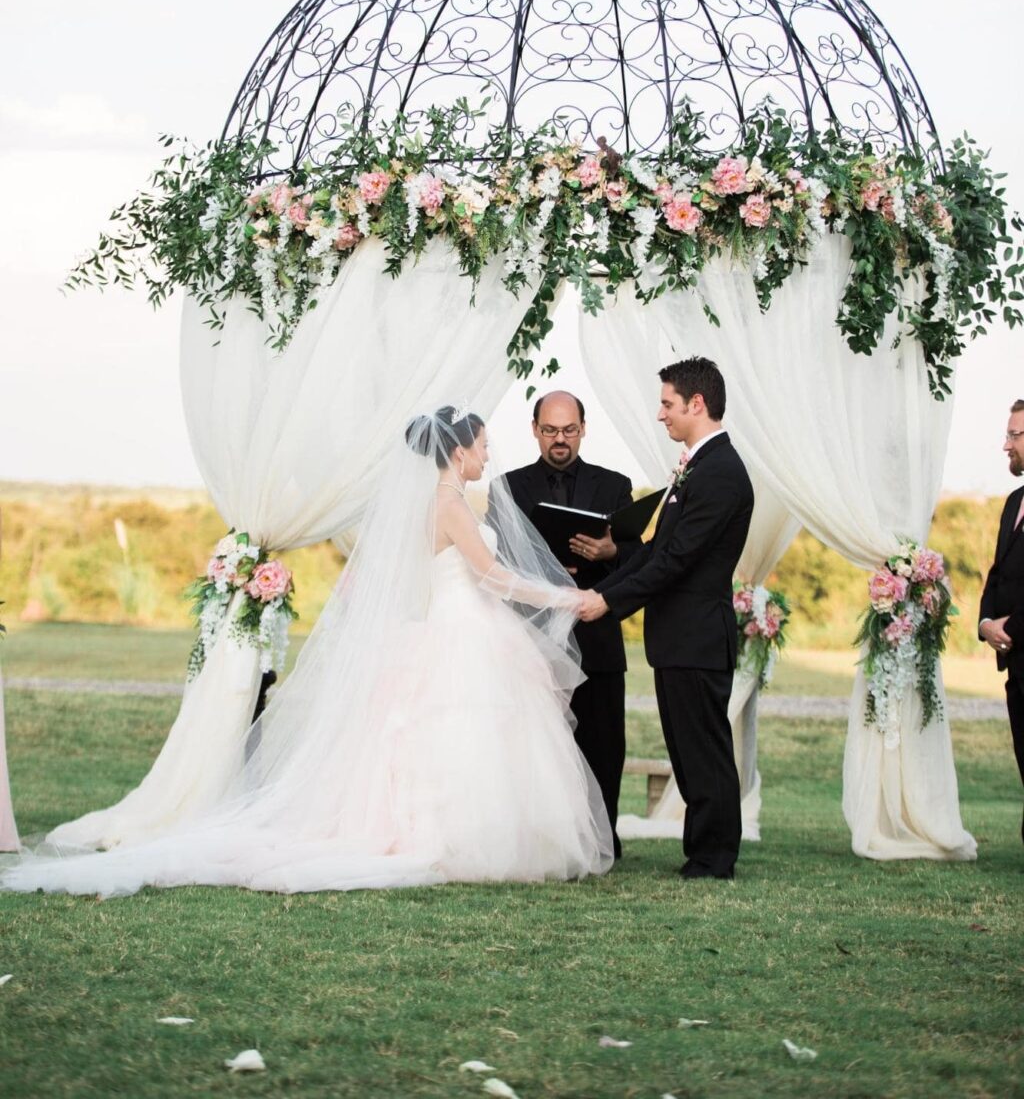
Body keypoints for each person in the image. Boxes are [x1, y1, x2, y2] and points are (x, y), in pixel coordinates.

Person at [1, 408, 613, 896]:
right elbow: (494, 578)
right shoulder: (450, 505)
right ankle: (458, 842)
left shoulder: (431, 505)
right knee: (460, 738)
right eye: (481, 445)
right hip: (463, 631)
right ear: (458, 452)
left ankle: (447, 836)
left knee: (428, 742)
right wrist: (566, 595)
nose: (486, 454)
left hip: (445, 627)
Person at [578, 358, 753, 880]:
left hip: (697, 635)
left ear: (696, 404)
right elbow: (660, 549)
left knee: (704, 750)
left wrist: (607, 602)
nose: (661, 415)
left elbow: (678, 562)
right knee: (688, 749)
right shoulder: (698, 465)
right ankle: (703, 851)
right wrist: (616, 553)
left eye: (667, 403)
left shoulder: (720, 472)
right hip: (679, 638)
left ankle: (714, 857)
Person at [493, 391, 639, 857]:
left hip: (597, 640)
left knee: (603, 745)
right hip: (533, 640)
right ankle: (541, 845)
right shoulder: (506, 487)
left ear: (584, 428)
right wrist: (549, 575)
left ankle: (603, 843)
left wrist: (611, 553)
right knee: (536, 750)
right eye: (551, 430)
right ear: (535, 429)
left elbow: (641, 560)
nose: (560, 439)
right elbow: (495, 563)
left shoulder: (615, 484)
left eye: (569, 430)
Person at [978, 399, 1024, 844]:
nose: (1005, 444)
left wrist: (1012, 627)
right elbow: (997, 572)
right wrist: (986, 621)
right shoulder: (1013, 502)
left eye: (1014, 435)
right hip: (1015, 663)